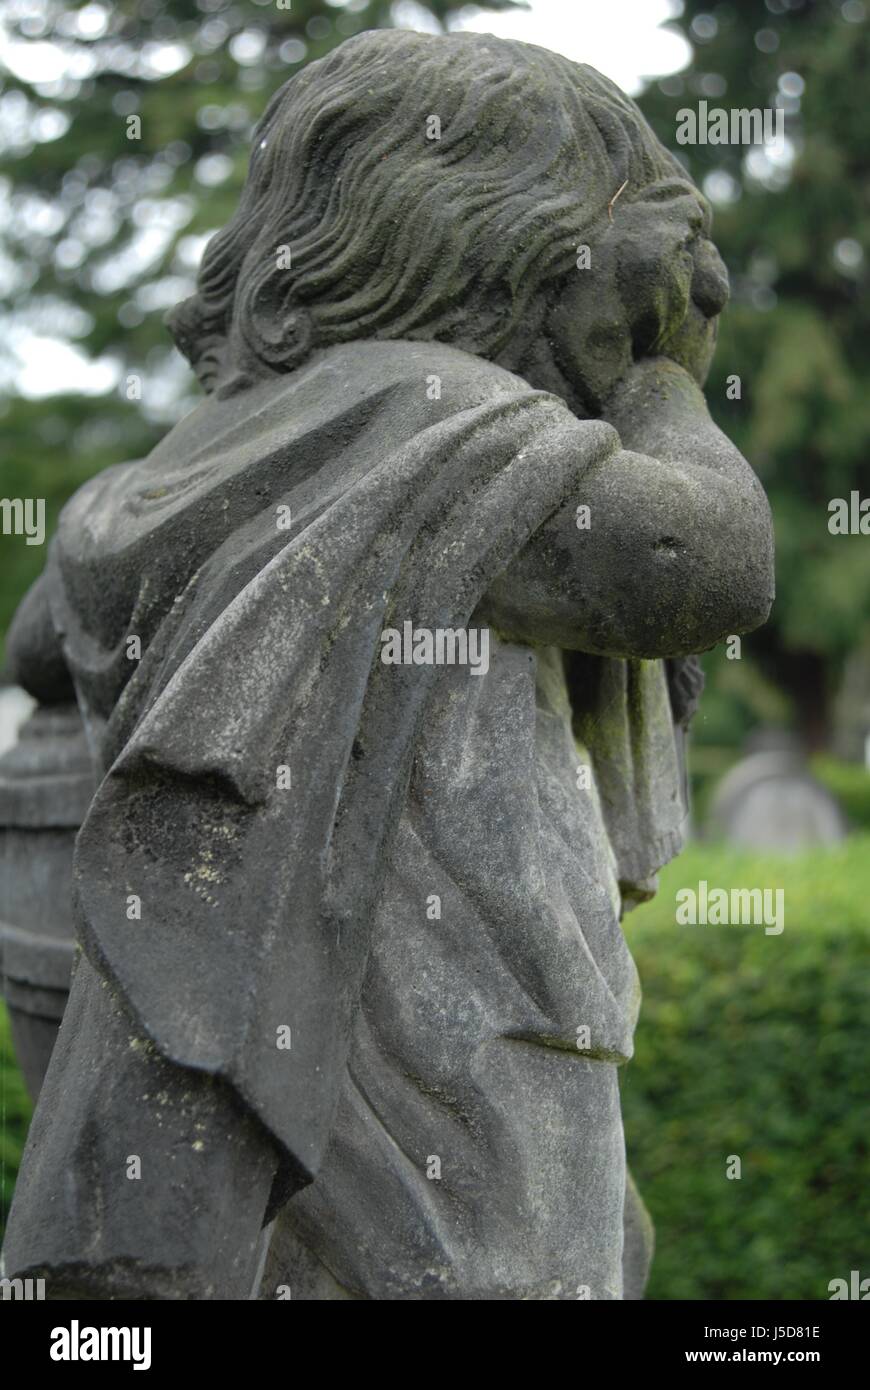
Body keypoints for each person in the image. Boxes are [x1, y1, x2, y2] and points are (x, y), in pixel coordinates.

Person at [1, 30, 773, 1300]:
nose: (701, 295)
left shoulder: (194, 469)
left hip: (321, 1051)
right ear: (499, 237)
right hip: (458, 1038)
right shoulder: (431, 419)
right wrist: (659, 395)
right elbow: (711, 559)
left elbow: (46, 629)